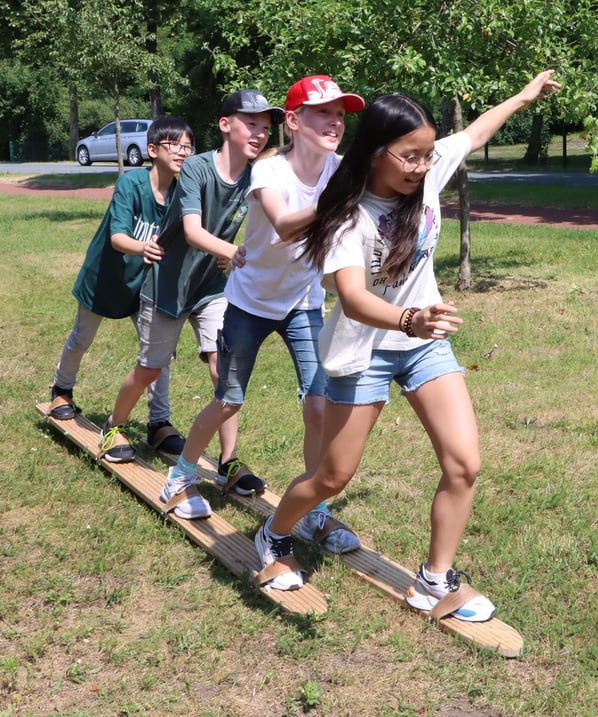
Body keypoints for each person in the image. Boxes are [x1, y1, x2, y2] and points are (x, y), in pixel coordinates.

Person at [252, 72, 561, 622]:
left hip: (422, 344)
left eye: (426, 155)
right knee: (332, 477)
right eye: (410, 157)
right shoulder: (346, 214)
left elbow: (475, 135)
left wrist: (521, 96)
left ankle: (433, 581)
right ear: (375, 154)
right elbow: (350, 298)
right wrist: (409, 318)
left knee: (464, 463)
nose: (423, 166)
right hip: (364, 347)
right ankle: (275, 534)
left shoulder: (423, 171)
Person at [161, 75, 363, 551]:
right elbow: (288, 227)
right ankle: (181, 474)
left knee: (318, 406)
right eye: (323, 112)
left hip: (303, 304)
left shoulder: (342, 169)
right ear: (293, 122)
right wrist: (339, 197)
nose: (335, 122)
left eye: (340, 114)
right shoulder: (268, 172)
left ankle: (314, 511)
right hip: (248, 303)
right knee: (229, 399)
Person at [99, 92, 282, 512]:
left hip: (213, 288)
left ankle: (229, 463)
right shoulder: (197, 168)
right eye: (250, 123)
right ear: (225, 125)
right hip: (169, 285)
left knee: (225, 373)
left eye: (265, 126)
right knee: (150, 368)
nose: (259, 132)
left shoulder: (259, 175)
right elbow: (192, 229)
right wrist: (231, 251)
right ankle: (114, 426)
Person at [48, 116, 192, 460]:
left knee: (156, 355)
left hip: (146, 285)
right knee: (81, 338)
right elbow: (117, 236)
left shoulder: (182, 194)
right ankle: (61, 390)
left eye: (188, 146)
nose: (183, 152)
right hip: (105, 279)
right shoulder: (131, 184)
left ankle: (159, 423)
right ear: (153, 150)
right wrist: (144, 248)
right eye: (176, 145)